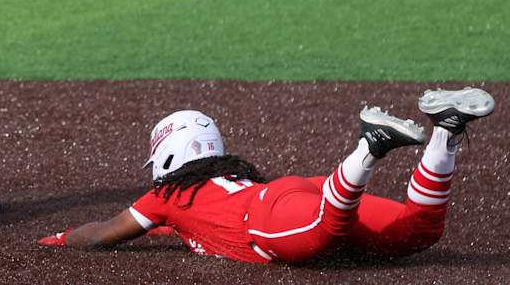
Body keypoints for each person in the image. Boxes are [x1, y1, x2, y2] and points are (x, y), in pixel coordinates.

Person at [38, 88, 495, 264]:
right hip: (292, 193)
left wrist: (61, 238)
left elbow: (102, 235)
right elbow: (177, 230)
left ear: (167, 155)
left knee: (321, 230)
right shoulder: (211, 188)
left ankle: (369, 146)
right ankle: (446, 133)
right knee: (416, 233)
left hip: (268, 215)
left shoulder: (167, 196)